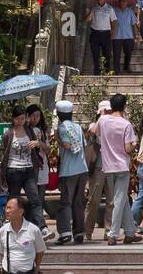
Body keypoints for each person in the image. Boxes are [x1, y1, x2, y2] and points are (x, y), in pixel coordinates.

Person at [93, 93, 141, 245]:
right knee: (119, 200)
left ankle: (129, 232)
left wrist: (101, 115)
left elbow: (95, 131)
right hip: (121, 166)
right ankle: (113, 234)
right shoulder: (126, 124)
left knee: (123, 199)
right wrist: (134, 144)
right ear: (124, 106)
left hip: (107, 166)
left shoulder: (103, 120)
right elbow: (127, 148)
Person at [0, 105, 44, 228]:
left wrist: (37, 143)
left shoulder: (29, 131)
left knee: (34, 199)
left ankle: (42, 227)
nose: (20, 121)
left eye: (23, 119)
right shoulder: (8, 134)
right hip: (13, 171)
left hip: (29, 169)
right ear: (13, 119)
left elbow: (38, 146)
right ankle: (12, 226)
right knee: (14, 200)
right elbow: (4, 152)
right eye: (17, 119)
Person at [54, 100, 87, 244]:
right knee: (78, 202)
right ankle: (79, 232)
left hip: (69, 170)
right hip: (82, 168)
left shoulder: (62, 128)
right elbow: (83, 145)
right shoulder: (78, 127)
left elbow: (68, 145)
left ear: (60, 115)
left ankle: (65, 233)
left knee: (65, 202)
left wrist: (57, 140)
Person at [0, 196, 44, 274]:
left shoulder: (33, 230)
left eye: (10, 208)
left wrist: (36, 268)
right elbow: (2, 252)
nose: (7, 211)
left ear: (20, 211)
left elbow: (40, 251)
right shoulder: (3, 231)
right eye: (6, 207)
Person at [83, 100, 111, 241]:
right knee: (93, 200)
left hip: (111, 167)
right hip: (98, 167)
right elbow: (94, 132)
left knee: (111, 201)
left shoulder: (114, 123)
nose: (108, 113)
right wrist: (102, 116)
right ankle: (87, 230)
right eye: (106, 111)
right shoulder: (94, 125)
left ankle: (109, 230)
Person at [26, 105, 51, 236]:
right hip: (30, 169)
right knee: (33, 199)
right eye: (33, 116)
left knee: (39, 199)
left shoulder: (42, 131)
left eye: (38, 116)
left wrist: (39, 143)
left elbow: (48, 149)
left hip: (42, 167)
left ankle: (37, 228)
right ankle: (39, 227)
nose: (35, 118)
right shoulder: (24, 130)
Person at [86, 0, 117, 74]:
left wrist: (112, 34)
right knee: (95, 54)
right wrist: (90, 12)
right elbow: (87, 20)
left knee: (107, 54)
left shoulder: (110, 8)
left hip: (106, 34)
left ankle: (107, 71)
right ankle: (96, 72)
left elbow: (114, 21)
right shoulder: (94, 8)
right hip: (95, 33)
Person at [111, 0, 138, 72]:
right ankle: (116, 70)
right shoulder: (114, 10)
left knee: (128, 54)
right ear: (118, 1)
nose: (123, 3)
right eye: (121, 1)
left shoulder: (130, 12)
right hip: (116, 36)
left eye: (125, 1)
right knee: (116, 55)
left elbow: (134, 24)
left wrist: (136, 36)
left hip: (128, 36)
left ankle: (126, 67)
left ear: (127, 2)